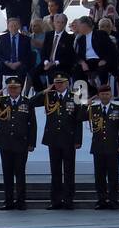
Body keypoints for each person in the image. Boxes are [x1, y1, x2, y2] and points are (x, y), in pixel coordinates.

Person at [30, 72, 83, 209]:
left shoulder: (75, 97)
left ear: (67, 83)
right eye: (56, 83)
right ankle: (56, 200)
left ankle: (69, 200)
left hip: (68, 139)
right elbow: (31, 103)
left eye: (61, 82)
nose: (58, 85)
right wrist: (44, 92)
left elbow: (78, 121)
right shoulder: (49, 96)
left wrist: (78, 140)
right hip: (53, 138)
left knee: (69, 171)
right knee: (55, 171)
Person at [0, 76, 38, 209]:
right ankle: (8, 201)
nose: (13, 90)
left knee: (20, 173)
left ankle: (21, 201)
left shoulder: (27, 102)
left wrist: (31, 143)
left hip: (21, 143)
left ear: (20, 88)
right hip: (5, 142)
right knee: (7, 173)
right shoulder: (1, 101)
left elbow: (32, 124)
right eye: (10, 88)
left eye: (15, 87)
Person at [88, 81, 119, 209]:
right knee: (99, 176)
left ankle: (113, 200)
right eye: (102, 94)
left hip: (112, 147)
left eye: (107, 94)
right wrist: (85, 105)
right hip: (98, 147)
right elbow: (79, 117)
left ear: (111, 95)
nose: (105, 96)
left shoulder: (117, 109)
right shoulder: (93, 109)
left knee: (113, 176)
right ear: (98, 95)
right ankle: (101, 200)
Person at [0, 15, 34, 91]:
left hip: (20, 65)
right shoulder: (3, 38)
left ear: (19, 26)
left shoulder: (26, 39)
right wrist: (7, 63)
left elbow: (29, 55)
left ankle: (19, 92)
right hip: (7, 64)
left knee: (24, 69)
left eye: (15, 25)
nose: (13, 28)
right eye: (11, 26)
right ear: (8, 27)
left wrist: (19, 63)